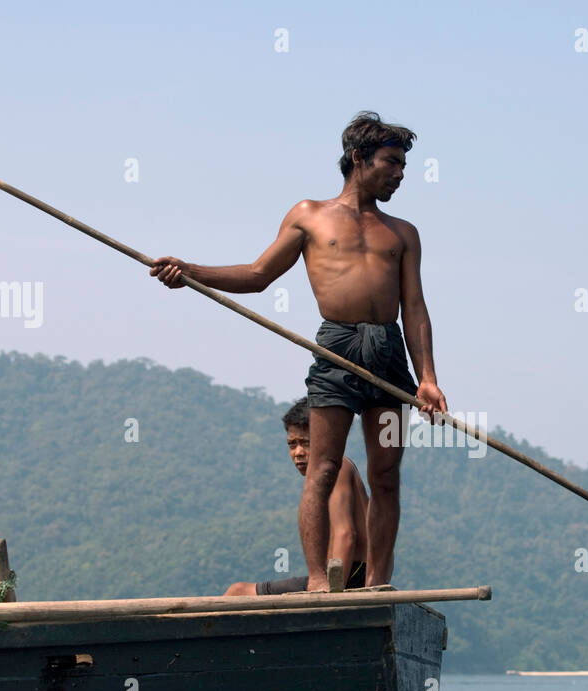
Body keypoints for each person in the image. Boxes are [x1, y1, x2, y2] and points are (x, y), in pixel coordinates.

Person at [151, 111, 447, 591]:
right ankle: (316, 578)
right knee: (323, 466)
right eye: (392, 162)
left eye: (404, 166)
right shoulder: (309, 215)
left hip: (389, 355)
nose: (400, 174)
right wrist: (191, 272)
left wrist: (427, 377)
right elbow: (257, 273)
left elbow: (414, 308)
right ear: (359, 158)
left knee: (386, 472)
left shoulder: (403, 233)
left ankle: (376, 581)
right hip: (337, 350)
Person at [223, 399, 368, 596]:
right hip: (342, 577)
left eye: (305, 443)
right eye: (292, 444)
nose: (298, 453)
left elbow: (346, 534)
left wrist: (334, 596)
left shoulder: (338, 467)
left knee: (237, 592)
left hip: (348, 578)